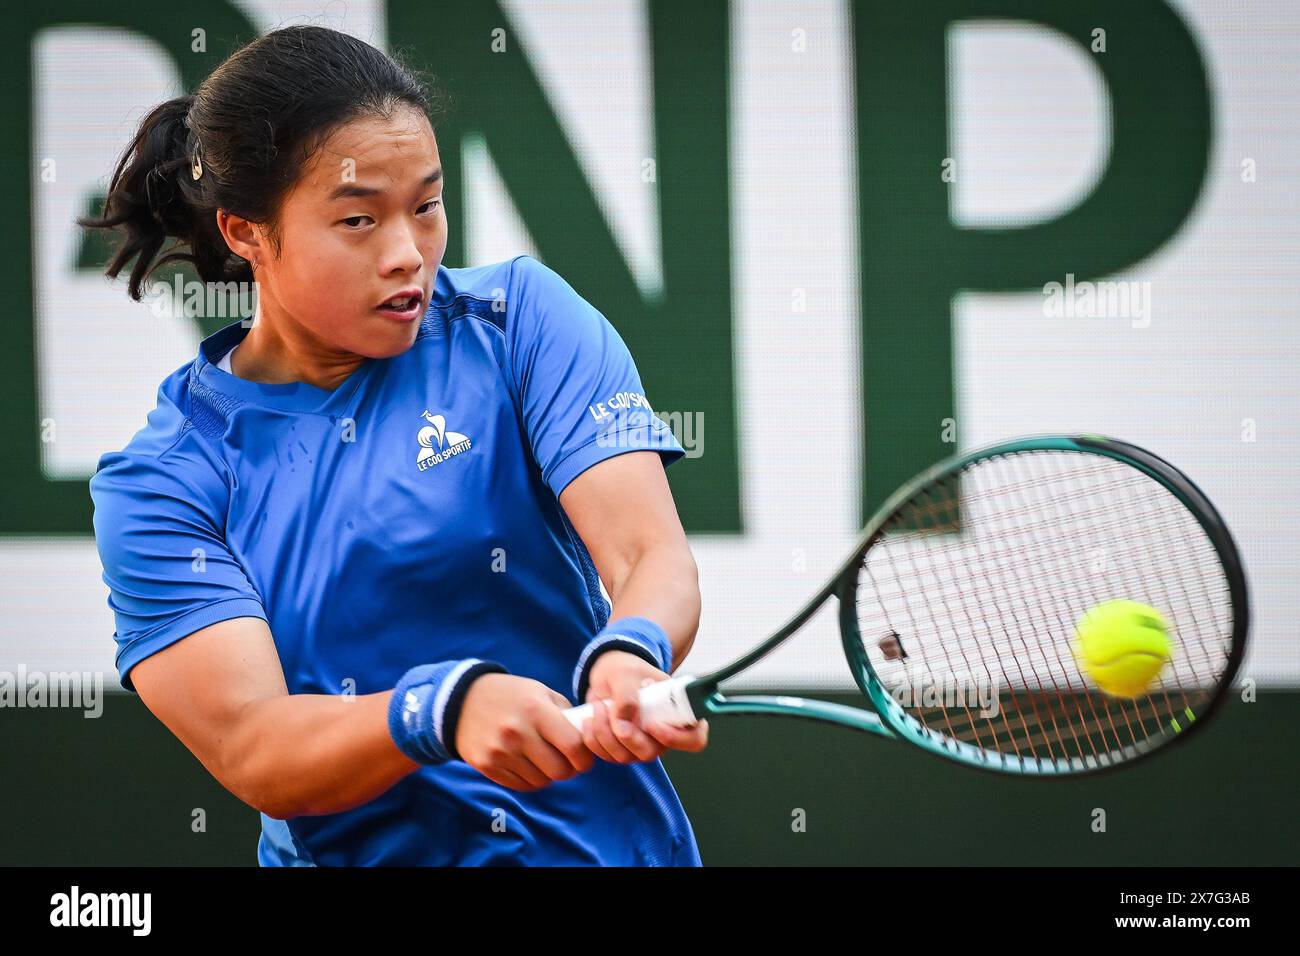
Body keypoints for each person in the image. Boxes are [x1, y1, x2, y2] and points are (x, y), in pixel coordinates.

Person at [81, 24, 708, 866]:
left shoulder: (522, 322)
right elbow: (255, 748)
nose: (406, 254)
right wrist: (439, 710)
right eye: (357, 219)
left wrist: (633, 649)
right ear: (244, 232)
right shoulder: (163, 483)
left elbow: (647, 555)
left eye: (426, 205)